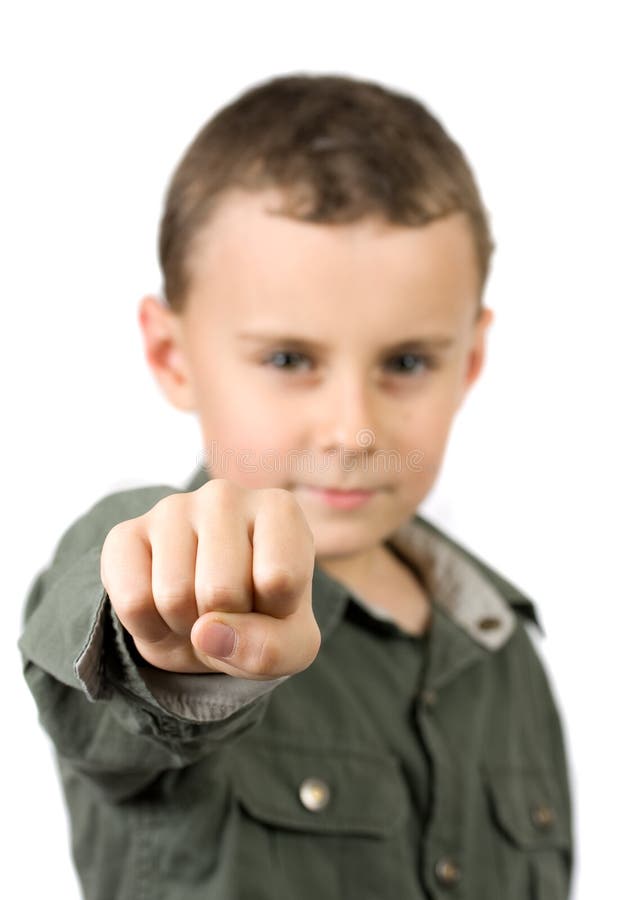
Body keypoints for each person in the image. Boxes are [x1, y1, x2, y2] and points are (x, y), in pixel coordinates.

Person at [18, 72, 574, 899]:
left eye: (407, 362)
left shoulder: (502, 644)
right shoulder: (166, 560)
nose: (352, 431)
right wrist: (175, 651)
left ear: (473, 360)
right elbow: (115, 642)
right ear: (173, 356)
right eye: (287, 360)